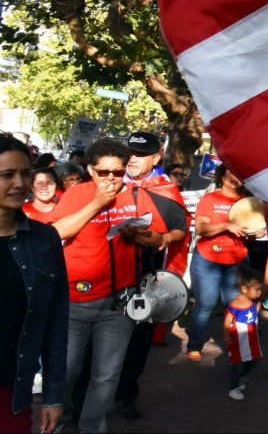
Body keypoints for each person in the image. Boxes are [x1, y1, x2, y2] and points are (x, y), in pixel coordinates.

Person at [51, 138, 171, 433]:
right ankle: (59, 419)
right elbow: (55, 234)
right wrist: (97, 203)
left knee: (106, 376)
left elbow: (159, 238)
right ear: (91, 170)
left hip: (119, 303)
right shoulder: (77, 194)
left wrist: (140, 236)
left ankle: (92, 425)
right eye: (103, 172)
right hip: (75, 302)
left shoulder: (134, 194)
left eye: (116, 173)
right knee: (65, 371)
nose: (110, 179)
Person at [112, 131, 191, 419]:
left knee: (136, 342)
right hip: (106, 278)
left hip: (146, 281)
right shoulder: (109, 182)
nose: (133, 158)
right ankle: (80, 397)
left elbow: (181, 228)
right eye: (130, 152)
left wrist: (162, 239)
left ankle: (125, 395)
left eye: (141, 154)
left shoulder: (167, 190)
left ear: (156, 157)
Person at [0, 135, 67, 434]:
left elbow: (56, 322)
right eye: (6, 175)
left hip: (11, 389)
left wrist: (52, 395)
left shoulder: (44, 239)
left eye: (25, 173)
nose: (19, 183)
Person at [186, 165, 249, 361]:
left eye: (239, 174)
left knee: (234, 305)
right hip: (208, 260)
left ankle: (234, 346)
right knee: (205, 304)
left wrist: (257, 232)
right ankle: (194, 345)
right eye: (231, 173)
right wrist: (226, 225)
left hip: (236, 261)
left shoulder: (246, 202)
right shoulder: (210, 199)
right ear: (222, 176)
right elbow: (202, 229)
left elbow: (250, 229)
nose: (235, 178)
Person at [224, 265, 263, 401]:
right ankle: (233, 388)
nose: (259, 292)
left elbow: (253, 312)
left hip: (251, 338)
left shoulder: (253, 301)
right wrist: (226, 334)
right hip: (239, 338)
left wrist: (259, 306)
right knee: (237, 363)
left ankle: (240, 376)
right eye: (257, 289)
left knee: (254, 361)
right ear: (244, 289)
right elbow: (227, 320)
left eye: (260, 289)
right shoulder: (236, 303)